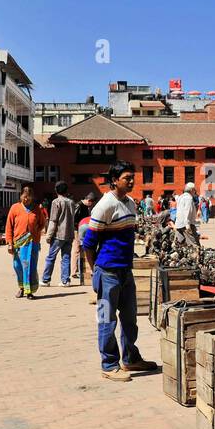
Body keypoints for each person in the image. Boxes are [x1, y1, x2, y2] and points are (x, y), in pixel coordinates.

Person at [81, 161, 156, 381]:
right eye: (127, 178)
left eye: (132, 177)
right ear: (114, 180)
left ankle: (130, 358)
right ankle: (109, 363)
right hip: (108, 272)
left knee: (130, 318)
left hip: (126, 272)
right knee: (106, 319)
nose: (131, 181)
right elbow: (88, 243)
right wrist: (96, 269)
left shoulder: (130, 203)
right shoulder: (104, 206)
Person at [5, 185, 47, 299]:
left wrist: (36, 232)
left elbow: (42, 223)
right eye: (24, 196)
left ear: (32, 197)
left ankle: (29, 291)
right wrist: (9, 243)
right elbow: (9, 226)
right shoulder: (15, 208)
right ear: (20, 196)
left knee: (30, 266)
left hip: (33, 243)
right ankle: (21, 286)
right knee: (17, 265)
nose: (26, 199)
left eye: (28, 197)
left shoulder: (36, 209)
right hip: (18, 242)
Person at [42, 181, 78, 287]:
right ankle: (65, 280)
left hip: (58, 234)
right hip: (69, 234)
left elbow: (53, 220)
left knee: (51, 257)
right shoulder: (71, 202)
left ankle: (46, 279)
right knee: (66, 257)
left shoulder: (56, 202)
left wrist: (48, 235)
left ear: (56, 190)